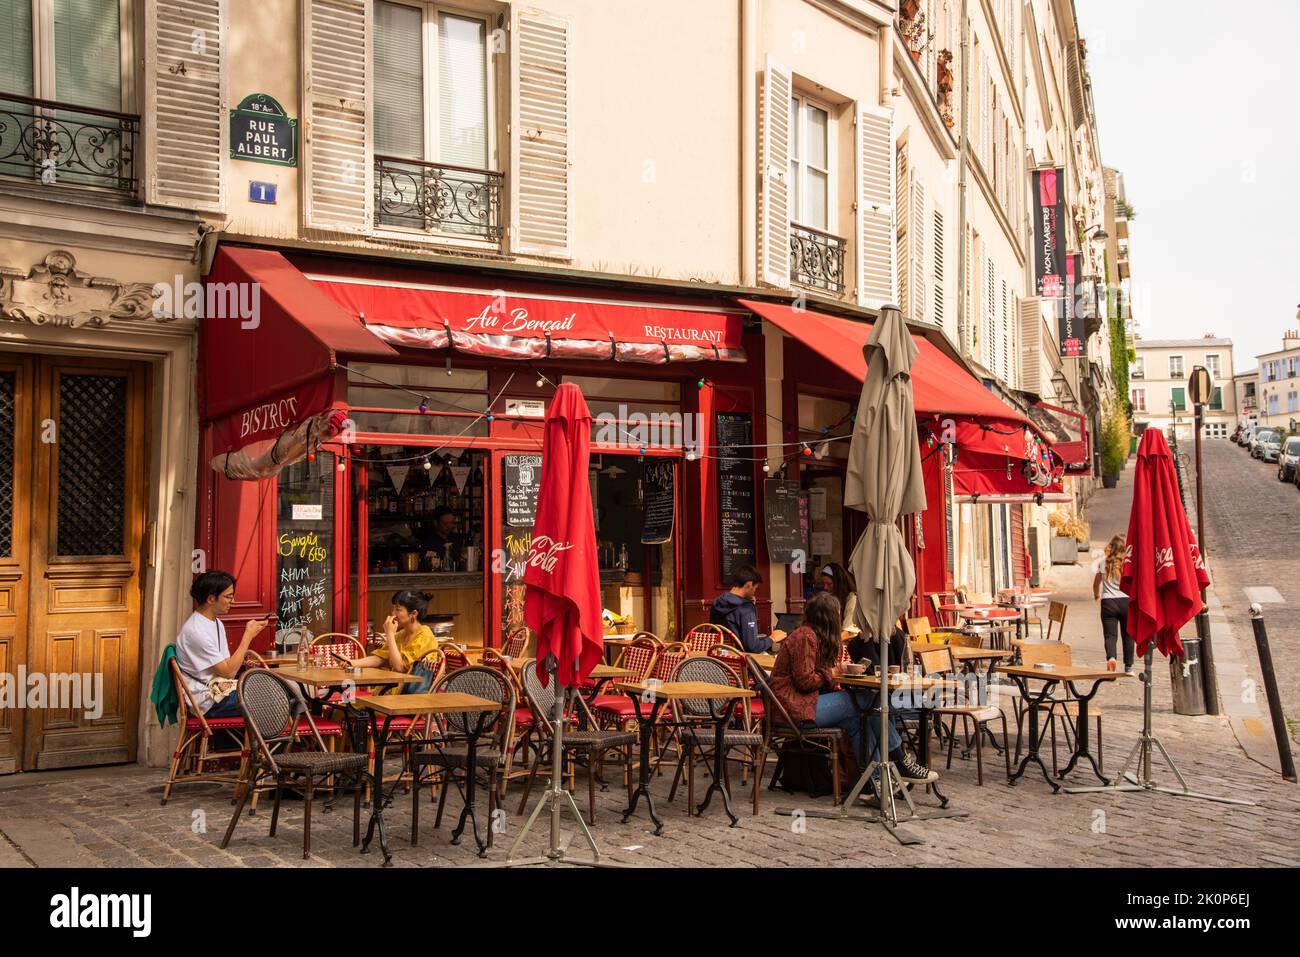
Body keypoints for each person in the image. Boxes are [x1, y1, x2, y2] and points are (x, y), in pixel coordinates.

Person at [770, 591, 937, 785]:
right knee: (866, 700)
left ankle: (873, 784)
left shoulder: (811, 635)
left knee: (859, 720)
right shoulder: (805, 636)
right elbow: (805, 681)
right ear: (829, 617)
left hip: (802, 706)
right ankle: (899, 759)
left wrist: (833, 673)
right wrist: (833, 672)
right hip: (793, 709)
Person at [174, 571, 268, 718]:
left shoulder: (216, 623)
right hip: (208, 701)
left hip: (221, 690)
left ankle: (264, 740)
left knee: (281, 690)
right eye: (228, 596)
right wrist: (248, 636)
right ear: (211, 598)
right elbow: (229, 672)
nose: (233, 601)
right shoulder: (196, 631)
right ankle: (275, 740)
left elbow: (227, 667)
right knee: (277, 697)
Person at [355, 590, 440, 692]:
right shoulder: (402, 634)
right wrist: (352, 663)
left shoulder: (425, 636)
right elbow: (381, 658)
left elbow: (400, 667)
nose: (393, 614)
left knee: (348, 705)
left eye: (398, 609)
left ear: (413, 614)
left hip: (406, 699)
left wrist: (390, 634)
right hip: (390, 691)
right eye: (393, 609)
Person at [710, 564, 786, 653]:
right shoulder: (746, 609)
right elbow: (752, 647)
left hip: (720, 656)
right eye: (755, 588)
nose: (754, 592)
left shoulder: (717, 601)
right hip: (741, 660)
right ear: (749, 584)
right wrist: (772, 638)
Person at [1093, 535, 1135, 673]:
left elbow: (1096, 583)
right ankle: (1128, 667)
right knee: (1128, 635)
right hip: (1126, 601)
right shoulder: (1129, 563)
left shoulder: (1104, 563)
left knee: (1110, 635)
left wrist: (1097, 595)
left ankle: (1111, 657)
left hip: (1108, 602)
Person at [819, 563, 859, 633]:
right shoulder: (828, 599)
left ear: (839, 583)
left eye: (829, 584)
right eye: (823, 583)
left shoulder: (852, 599)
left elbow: (848, 631)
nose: (825, 587)